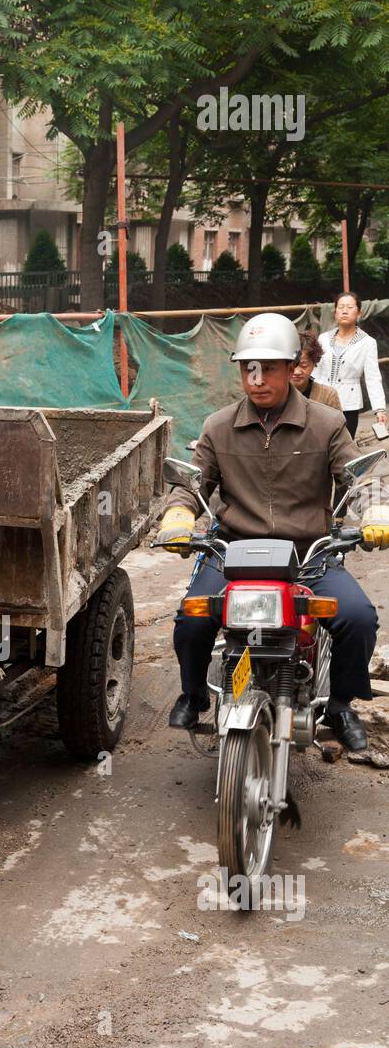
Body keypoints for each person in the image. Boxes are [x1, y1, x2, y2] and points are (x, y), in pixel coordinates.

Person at [157, 311, 389, 752]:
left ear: (291, 368)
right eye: (248, 368)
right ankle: (194, 693)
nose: (257, 379)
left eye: (268, 368)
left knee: (359, 619)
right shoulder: (218, 424)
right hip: (234, 552)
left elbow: (359, 478)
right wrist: (180, 517)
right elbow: (191, 484)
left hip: (309, 554)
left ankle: (339, 705)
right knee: (191, 618)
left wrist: (376, 511)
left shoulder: (327, 423)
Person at [313, 291, 387, 440]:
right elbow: (314, 372)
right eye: (340, 307)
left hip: (348, 403)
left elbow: (373, 378)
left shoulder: (367, 342)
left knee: (344, 447)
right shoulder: (323, 338)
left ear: (359, 313)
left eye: (350, 307)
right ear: (335, 313)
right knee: (318, 444)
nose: (345, 310)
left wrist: (379, 409)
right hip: (319, 402)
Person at [291, 329, 342, 410]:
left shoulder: (328, 395)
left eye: (304, 365)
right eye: (293, 365)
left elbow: (338, 422)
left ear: (314, 363)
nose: (297, 371)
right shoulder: (275, 393)